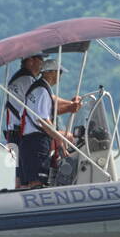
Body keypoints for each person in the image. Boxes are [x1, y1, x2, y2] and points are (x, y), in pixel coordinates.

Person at [17, 59, 83, 189]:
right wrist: (59, 138)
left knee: (32, 181)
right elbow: (42, 120)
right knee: (37, 182)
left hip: (30, 141)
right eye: (59, 72)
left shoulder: (39, 88)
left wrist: (70, 106)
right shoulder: (41, 91)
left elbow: (48, 111)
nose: (60, 76)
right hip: (36, 142)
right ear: (50, 73)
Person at [4, 53, 43, 188]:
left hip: (12, 132)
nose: (43, 63)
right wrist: (69, 105)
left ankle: (17, 197)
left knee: (19, 174)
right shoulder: (28, 80)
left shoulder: (16, 78)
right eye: (41, 59)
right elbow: (38, 105)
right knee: (27, 176)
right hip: (22, 134)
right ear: (31, 60)